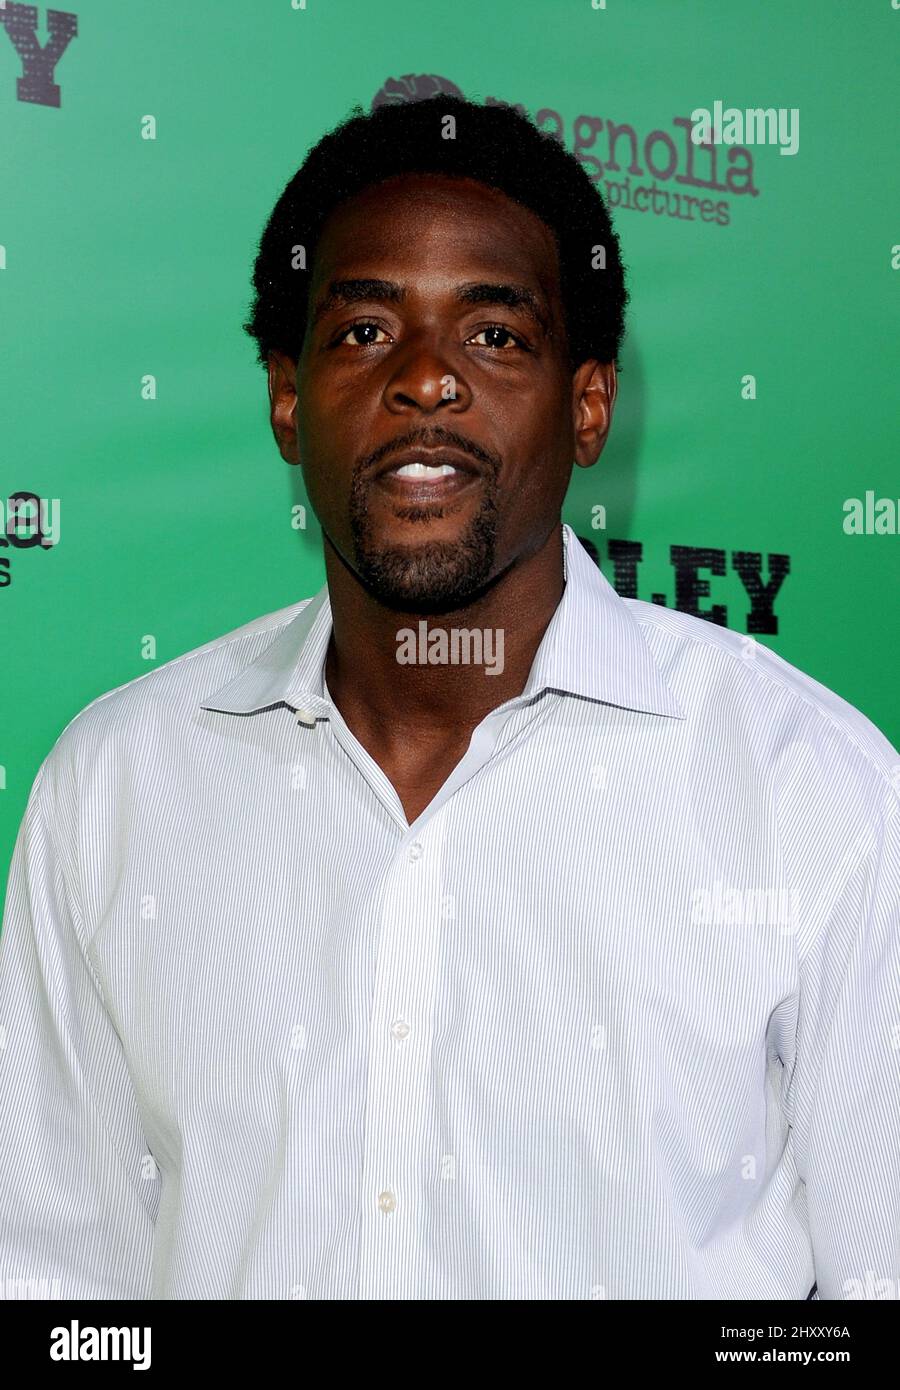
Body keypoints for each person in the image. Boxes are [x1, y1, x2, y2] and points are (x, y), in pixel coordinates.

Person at [1, 94, 897, 1301]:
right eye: (366, 332)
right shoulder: (116, 786)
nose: (426, 381)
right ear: (284, 398)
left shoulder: (812, 791)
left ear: (589, 407)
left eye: (495, 337)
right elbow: (58, 1290)